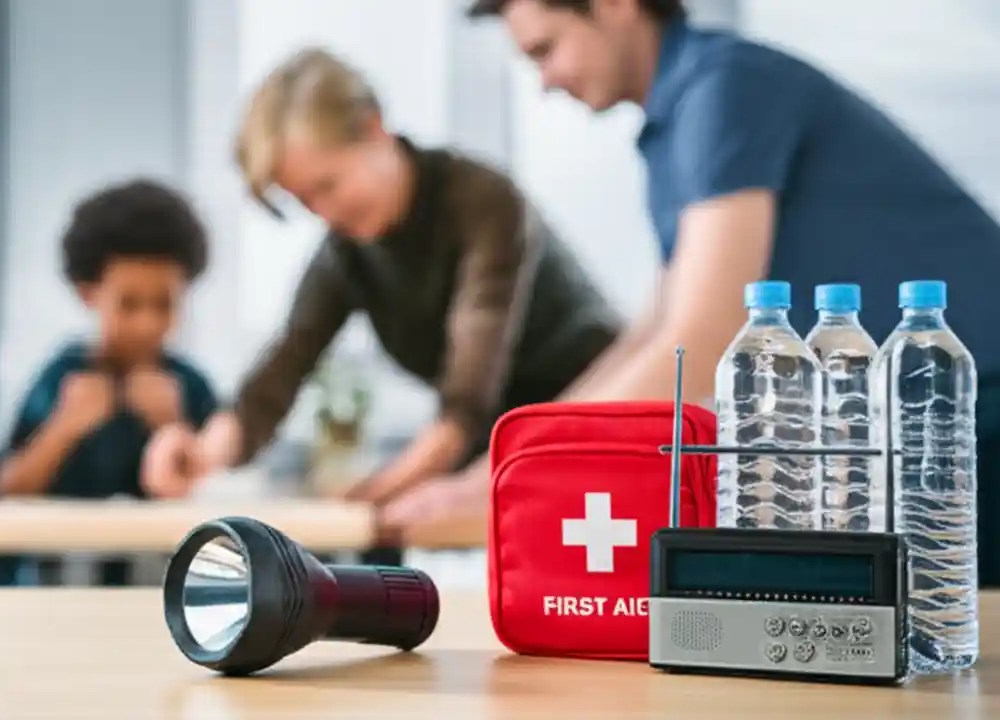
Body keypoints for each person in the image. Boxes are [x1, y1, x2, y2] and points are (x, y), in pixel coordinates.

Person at [386, 0, 1000, 581]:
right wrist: (497, 471)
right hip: (913, 428)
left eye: (546, 49)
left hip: (970, 412)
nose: (545, 81)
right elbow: (651, 334)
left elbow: (701, 338)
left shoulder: (726, 87)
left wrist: (522, 479)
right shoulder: (677, 121)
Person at [143, 48, 618, 517]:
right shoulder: (346, 251)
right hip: (499, 445)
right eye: (304, 200)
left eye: (327, 185)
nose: (324, 212)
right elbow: (284, 366)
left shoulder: (483, 202)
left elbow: (468, 393)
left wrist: (382, 491)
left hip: (602, 421)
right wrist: (201, 454)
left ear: (374, 128)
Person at [0, 180, 217, 583]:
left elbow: (217, 502)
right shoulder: (63, 376)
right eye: (128, 304)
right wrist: (65, 426)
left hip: (162, 585)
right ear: (88, 294)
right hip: (60, 585)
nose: (147, 324)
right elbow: (7, 490)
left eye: (164, 304)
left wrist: (171, 424)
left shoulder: (190, 387)